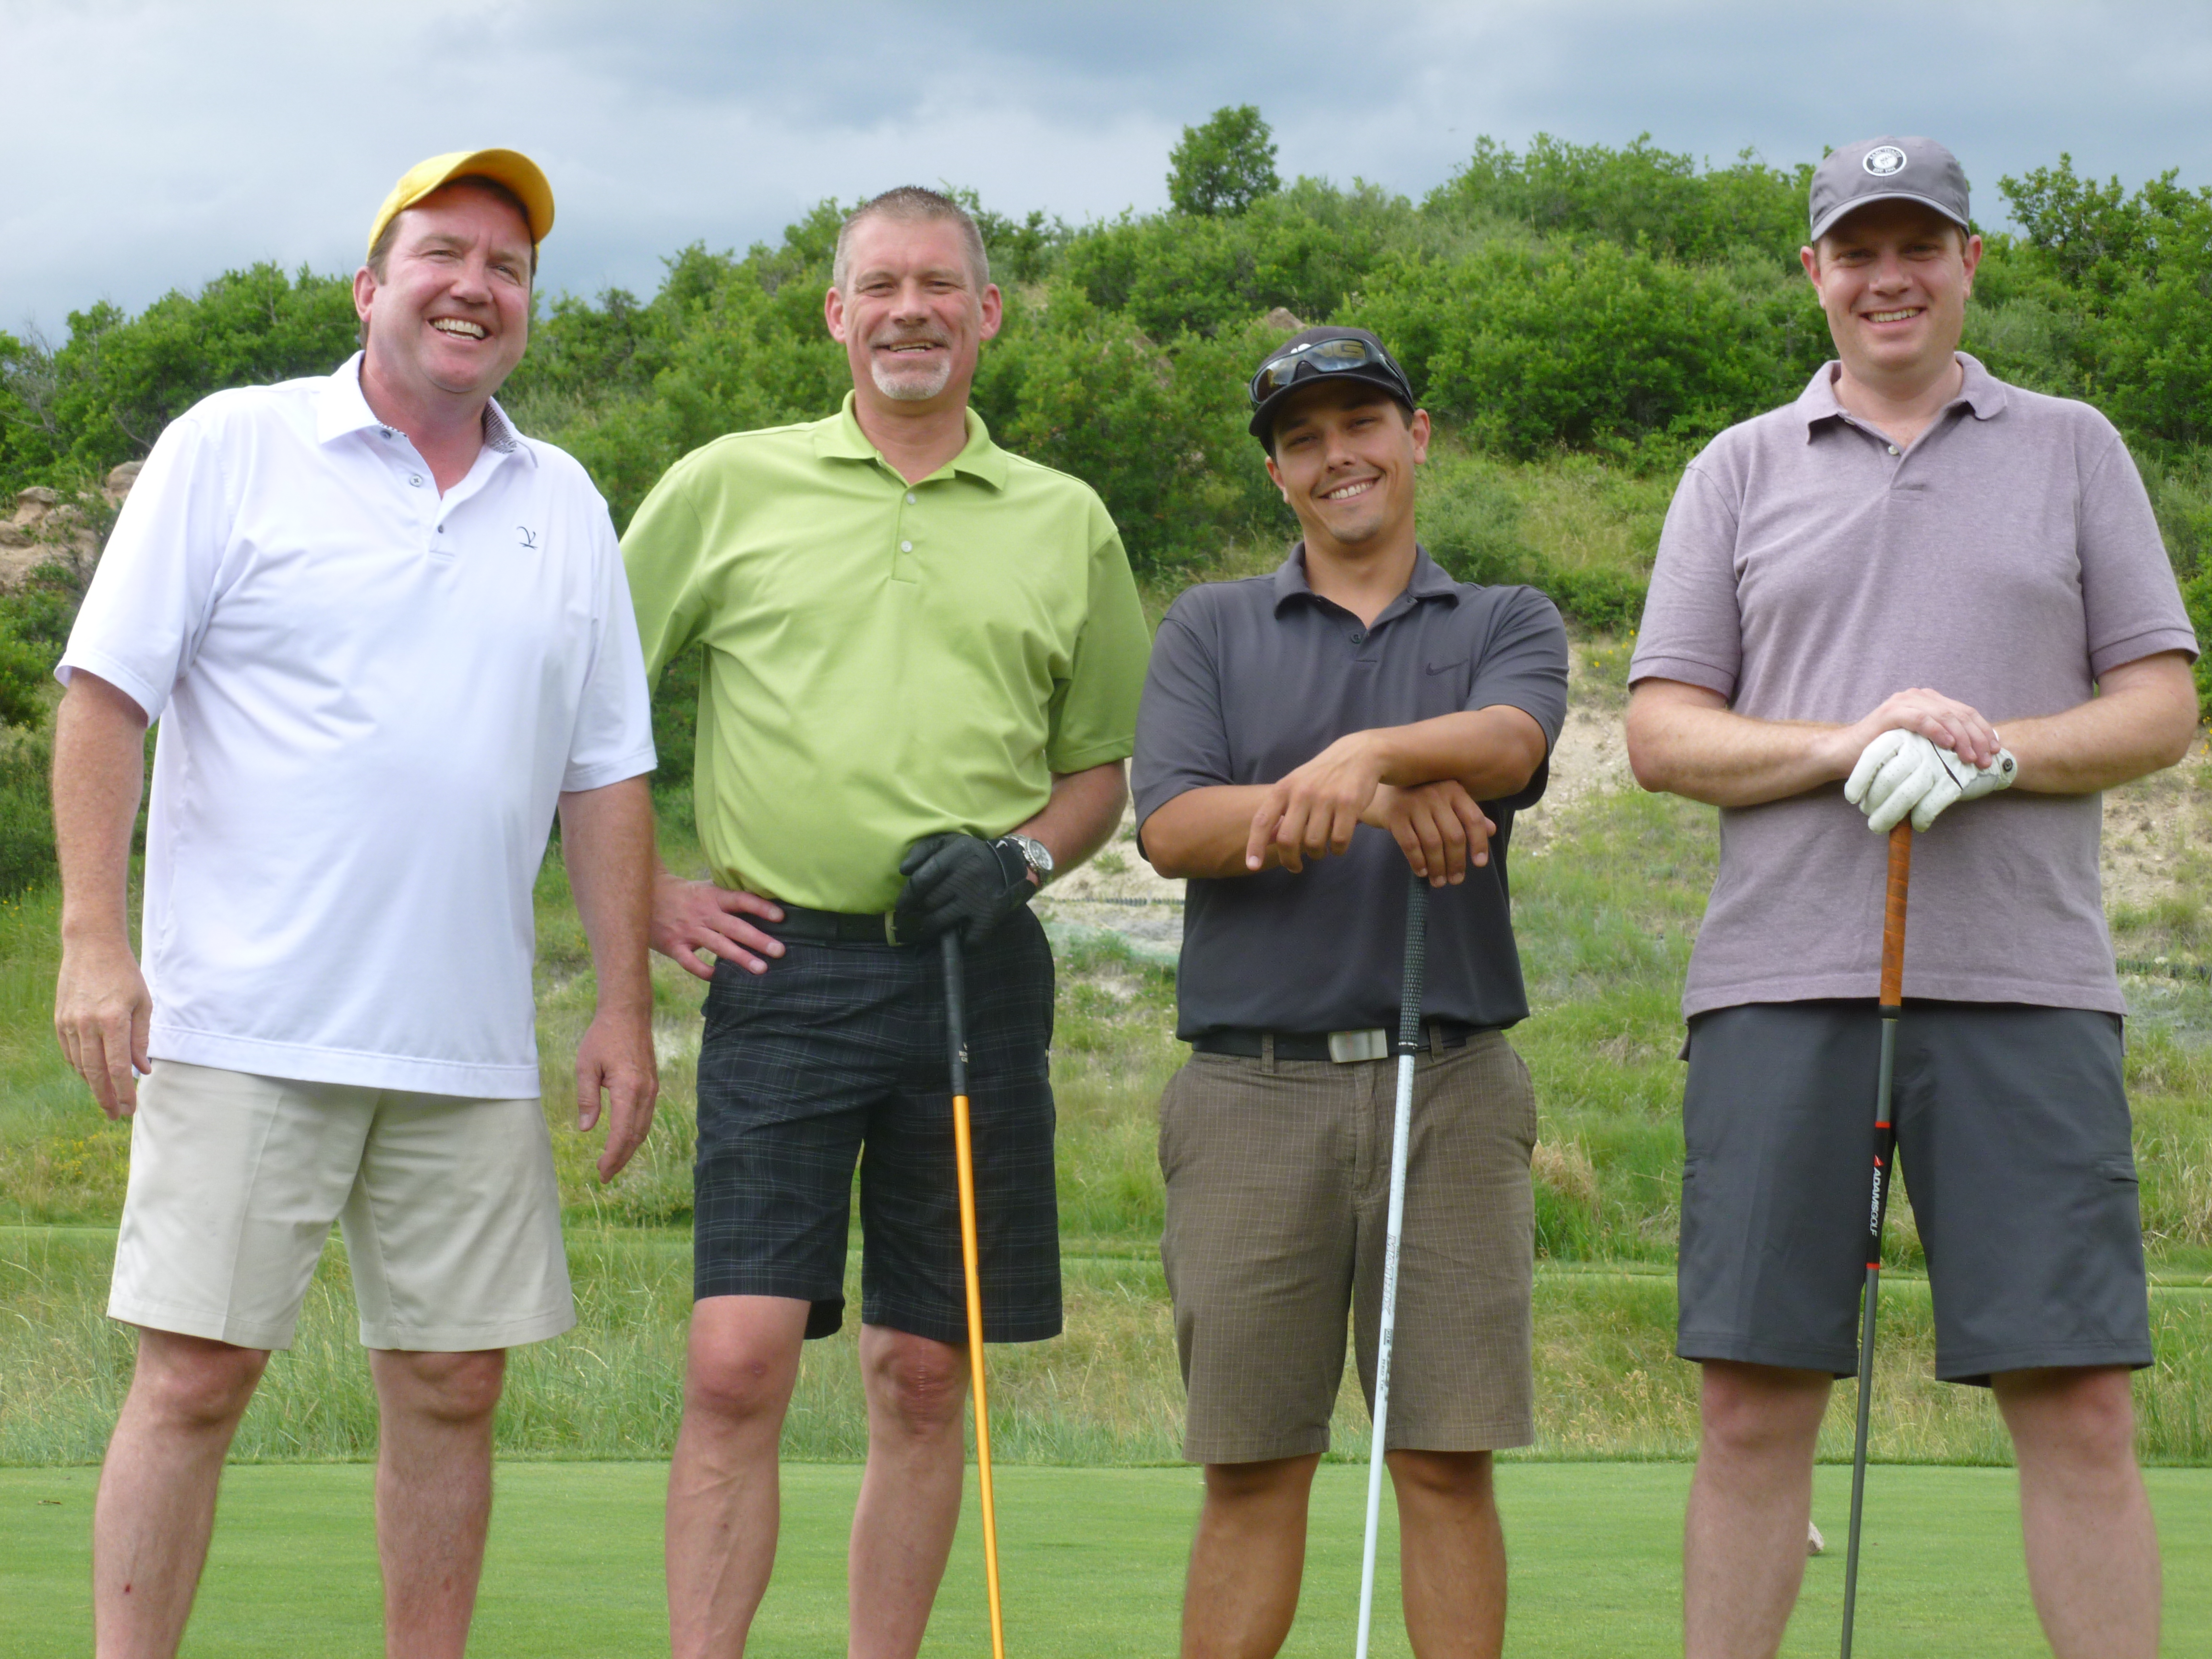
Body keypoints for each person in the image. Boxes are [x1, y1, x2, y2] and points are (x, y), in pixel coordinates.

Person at [51, 149, 660, 1659]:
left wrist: (626, 1009)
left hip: (464, 1045)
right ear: (370, 287)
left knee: (455, 1387)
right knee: (194, 1376)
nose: (476, 286)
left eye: (507, 269)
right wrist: (93, 941)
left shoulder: (565, 499)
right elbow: (106, 697)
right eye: (443, 253)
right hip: (245, 1020)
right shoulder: (233, 444)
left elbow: (605, 776)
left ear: (525, 310)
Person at [1623, 136, 2200, 1659]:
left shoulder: (2074, 447)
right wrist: (1854, 742)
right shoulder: (1737, 467)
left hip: (2028, 985)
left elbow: (2157, 707)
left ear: (1968, 264)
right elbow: (1663, 735)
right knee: (1752, 1406)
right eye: (1856, 249)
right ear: (1814, 271)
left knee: (2073, 1401)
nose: (1889, 276)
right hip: (1780, 983)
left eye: (1919, 246)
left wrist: (1993, 754)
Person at [620, 185, 1151, 1658]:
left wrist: (1028, 865)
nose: (908, 309)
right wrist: (651, 883)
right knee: (738, 1358)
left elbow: (1098, 771)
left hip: (974, 974)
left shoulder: (1065, 518)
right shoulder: (730, 483)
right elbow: (579, 698)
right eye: (879, 285)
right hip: (783, 962)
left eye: (940, 285)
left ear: (985, 314)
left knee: (926, 1368)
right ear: (836, 315)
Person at [1132, 325, 1569, 1659]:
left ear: (1415, 435)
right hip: (1250, 1087)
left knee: (1443, 1461)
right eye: (1304, 440)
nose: (1339, 458)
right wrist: (1374, 799)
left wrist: (1372, 748)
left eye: (1360, 425)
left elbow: (1513, 743)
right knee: (1255, 1468)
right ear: (1279, 475)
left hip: (1448, 1081)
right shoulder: (1211, 624)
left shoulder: (1506, 617)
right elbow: (1172, 827)